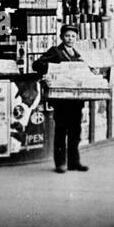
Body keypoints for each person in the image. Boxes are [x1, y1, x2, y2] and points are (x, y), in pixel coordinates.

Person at [32, 24, 89, 172]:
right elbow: (37, 65)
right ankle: (60, 163)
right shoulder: (56, 52)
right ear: (62, 37)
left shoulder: (78, 55)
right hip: (62, 99)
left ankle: (74, 162)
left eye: (73, 36)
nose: (70, 39)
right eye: (67, 36)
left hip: (76, 98)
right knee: (61, 130)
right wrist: (55, 69)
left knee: (75, 131)